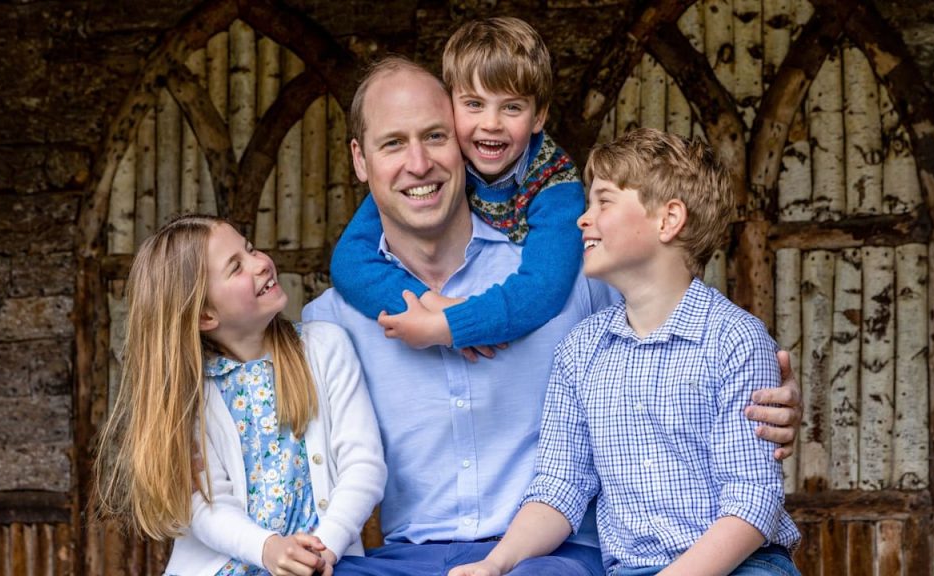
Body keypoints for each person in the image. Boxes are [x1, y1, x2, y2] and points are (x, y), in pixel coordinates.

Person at [303, 58, 801, 576]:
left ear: (464, 145)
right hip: (409, 558)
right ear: (360, 159)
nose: (419, 162)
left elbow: (675, 321)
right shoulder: (330, 325)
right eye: (392, 144)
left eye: (435, 136)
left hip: (556, 555)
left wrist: (768, 398)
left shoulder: (569, 277)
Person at [450, 129, 801, 576]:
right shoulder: (580, 350)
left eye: (604, 202)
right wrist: (495, 564)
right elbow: (560, 487)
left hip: (745, 565)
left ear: (668, 219)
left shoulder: (734, 340)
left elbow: (752, 499)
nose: (584, 218)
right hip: (632, 567)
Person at [92, 215, 386, 576]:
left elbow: (363, 464)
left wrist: (324, 549)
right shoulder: (189, 395)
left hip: (325, 562)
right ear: (205, 315)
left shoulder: (325, 347)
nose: (260, 263)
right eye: (236, 267)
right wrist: (268, 549)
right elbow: (206, 504)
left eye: (251, 249)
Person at [330, 17, 583, 355]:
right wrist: (429, 303)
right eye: (474, 104)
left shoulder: (556, 184)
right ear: (450, 107)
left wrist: (452, 325)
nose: (490, 124)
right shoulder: (447, 161)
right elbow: (349, 262)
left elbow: (544, 288)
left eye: (511, 107)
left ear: (538, 117)